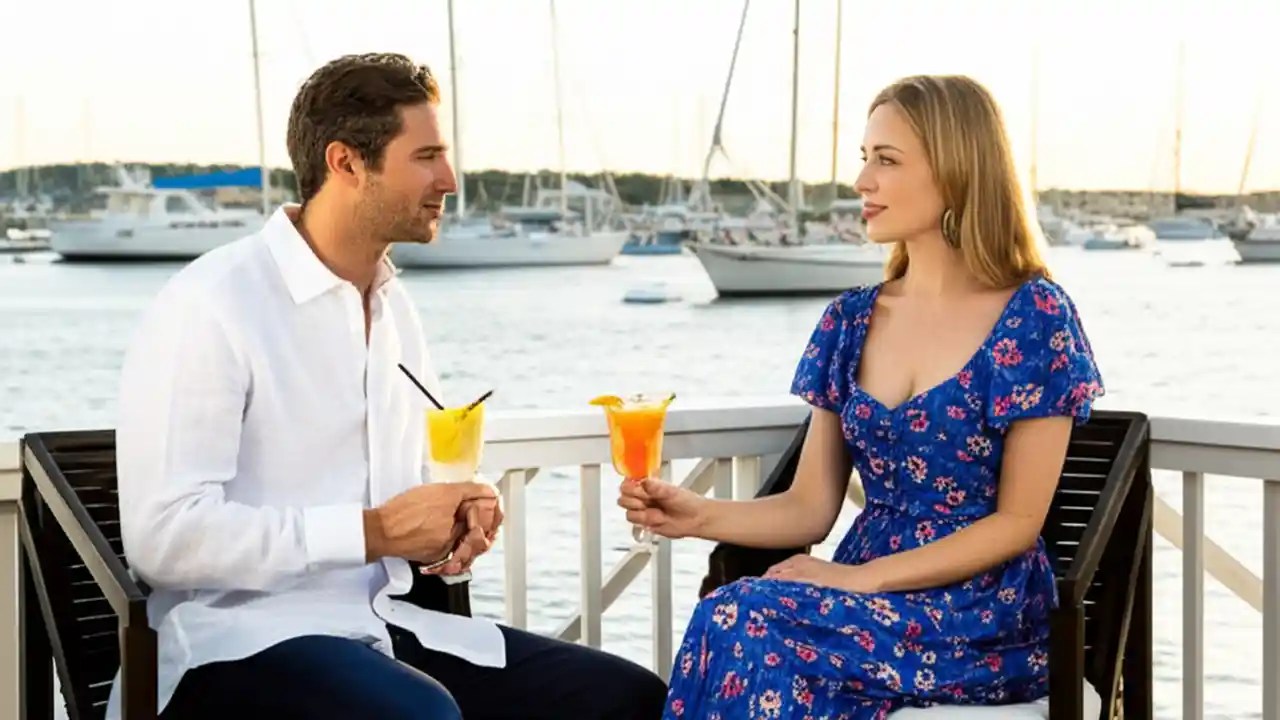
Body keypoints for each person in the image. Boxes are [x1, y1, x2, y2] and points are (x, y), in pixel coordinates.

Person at [111, 52, 666, 720]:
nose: (450, 180)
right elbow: (164, 539)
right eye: (426, 156)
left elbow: (398, 510)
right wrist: (373, 531)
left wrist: (452, 524)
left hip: (387, 625)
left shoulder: (394, 307)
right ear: (346, 163)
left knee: (625, 699)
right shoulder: (211, 302)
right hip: (234, 643)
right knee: (418, 715)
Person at [620, 75, 1105, 718]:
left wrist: (854, 579)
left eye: (887, 160)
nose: (862, 183)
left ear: (957, 171)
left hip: (978, 611)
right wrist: (695, 515)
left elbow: (1016, 524)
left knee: (749, 622)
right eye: (864, 158)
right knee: (729, 613)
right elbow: (811, 508)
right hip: (859, 600)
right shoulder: (849, 321)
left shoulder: (1035, 315)